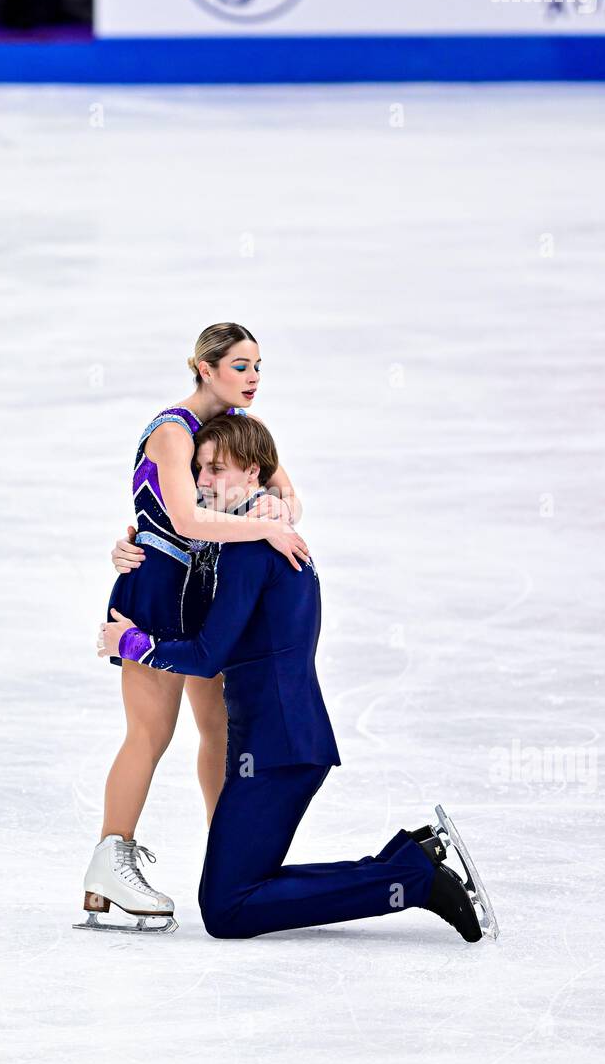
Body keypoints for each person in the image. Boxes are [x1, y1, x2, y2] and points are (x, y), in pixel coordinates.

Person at [91, 414, 499, 943]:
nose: (202, 482)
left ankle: (413, 878)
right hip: (275, 741)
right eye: (198, 470)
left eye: (216, 469)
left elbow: (209, 655)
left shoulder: (252, 548)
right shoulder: (258, 539)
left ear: (255, 472)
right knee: (235, 894)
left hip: (279, 746)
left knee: (228, 909)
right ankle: (409, 862)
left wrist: (130, 643)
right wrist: (135, 548)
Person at [79, 325, 309, 931]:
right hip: (156, 590)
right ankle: (110, 858)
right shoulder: (173, 431)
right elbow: (184, 516)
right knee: (150, 735)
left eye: (259, 365)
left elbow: (285, 494)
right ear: (203, 369)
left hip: (202, 588)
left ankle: (226, 855)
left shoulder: (231, 426)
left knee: (219, 729)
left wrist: (270, 511)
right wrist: (261, 527)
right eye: (239, 366)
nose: (253, 377)